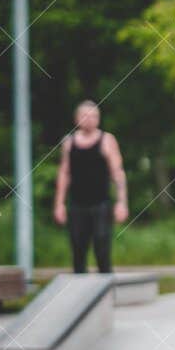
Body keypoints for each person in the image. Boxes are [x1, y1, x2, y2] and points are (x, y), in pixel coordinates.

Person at [51, 100, 128, 273]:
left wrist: (122, 202)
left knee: (102, 248)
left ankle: (106, 289)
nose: (90, 119)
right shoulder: (69, 142)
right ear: (77, 118)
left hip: (101, 204)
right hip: (77, 205)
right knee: (78, 251)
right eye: (86, 116)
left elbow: (118, 173)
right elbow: (64, 173)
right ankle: (80, 291)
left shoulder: (107, 140)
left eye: (94, 116)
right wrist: (59, 204)